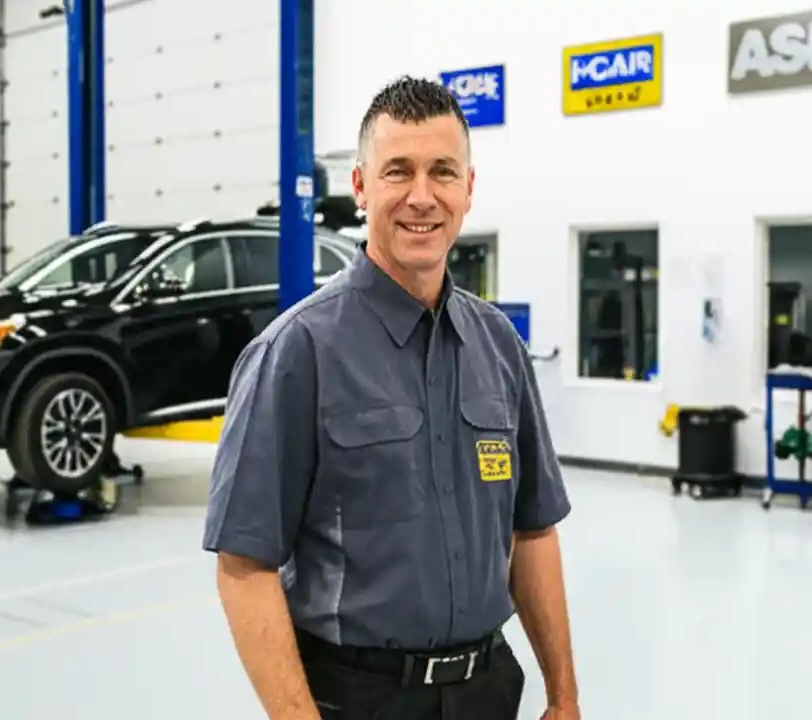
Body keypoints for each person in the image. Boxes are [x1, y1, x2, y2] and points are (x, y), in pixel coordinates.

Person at [203, 75, 579, 720]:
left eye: (442, 172)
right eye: (397, 171)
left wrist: (564, 697)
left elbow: (534, 529)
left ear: (468, 188)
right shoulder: (296, 352)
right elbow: (245, 565)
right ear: (360, 187)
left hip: (489, 691)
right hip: (359, 699)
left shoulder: (498, 346)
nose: (421, 197)